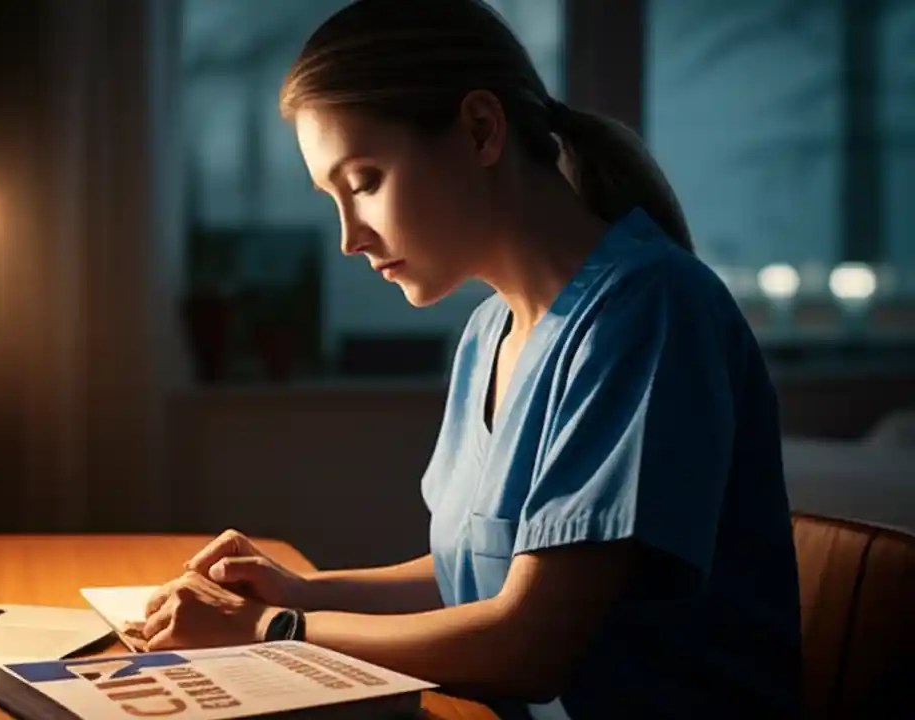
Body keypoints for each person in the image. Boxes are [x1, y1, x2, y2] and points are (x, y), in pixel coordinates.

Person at [129, 0, 803, 716]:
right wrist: (300, 591)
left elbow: (527, 646)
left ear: (481, 130)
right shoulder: (491, 333)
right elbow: (476, 578)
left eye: (364, 183)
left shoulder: (649, 309)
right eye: (334, 197)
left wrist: (272, 630)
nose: (348, 238)